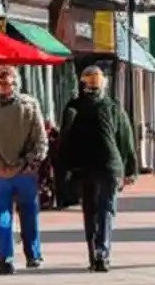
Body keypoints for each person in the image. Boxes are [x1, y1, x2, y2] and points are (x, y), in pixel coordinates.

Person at [58, 65, 138, 272]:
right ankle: (103, 252)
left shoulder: (73, 108)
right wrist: (129, 168)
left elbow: (64, 140)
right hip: (109, 166)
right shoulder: (113, 107)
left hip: (84, 166)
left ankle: (94, 253)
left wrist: (63, 168)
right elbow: (125, 140)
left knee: (90, 210)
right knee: (105, 209)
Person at [0, 66, 48, 274]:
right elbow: (40, 139)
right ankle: (32, 254)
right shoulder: (30, 104)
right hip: (24, 171)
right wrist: (31, 162)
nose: (5, 86)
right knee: (27, 213)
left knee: (3, 215)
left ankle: (5, 257)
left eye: (4, 82)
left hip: (0, 172)